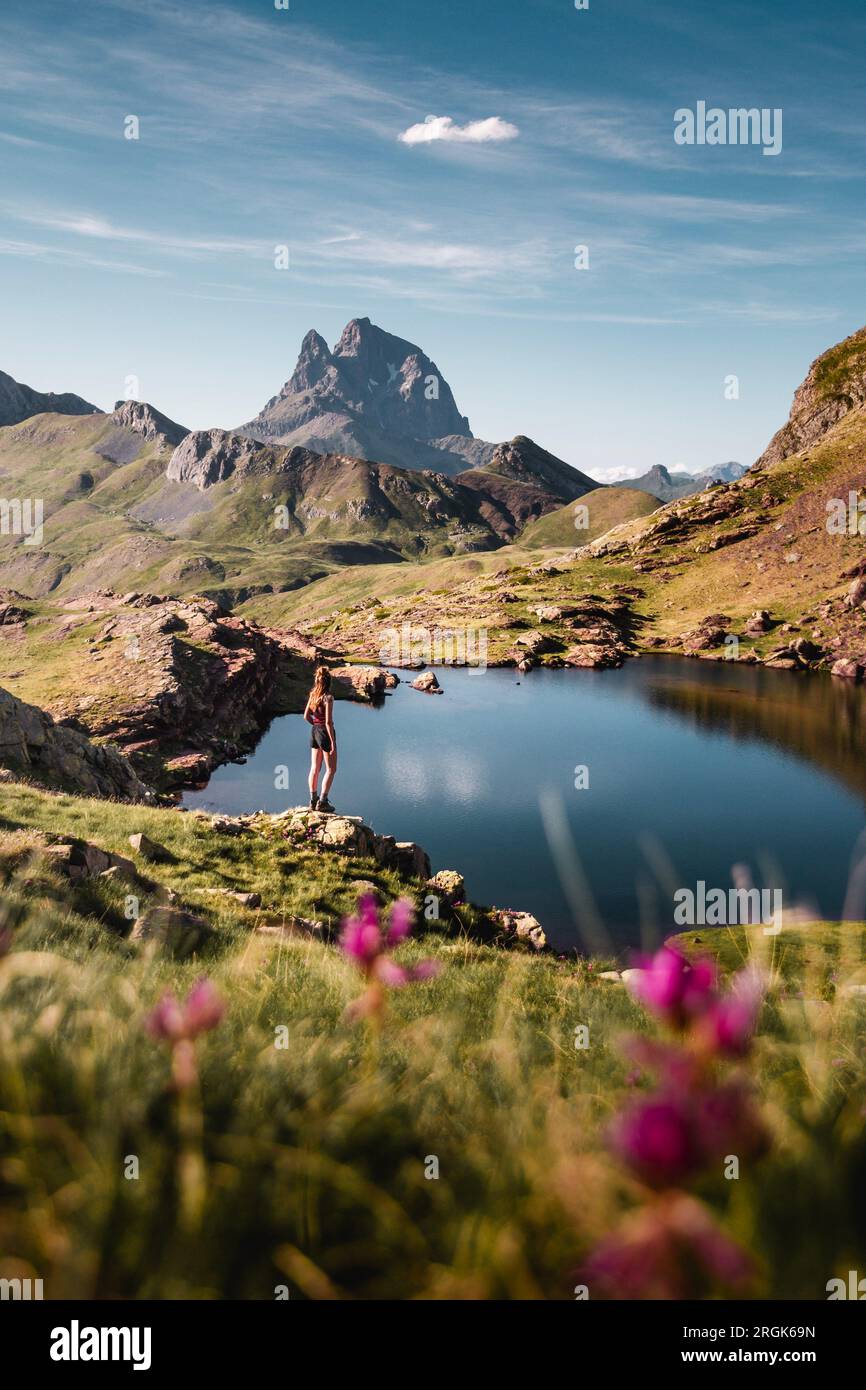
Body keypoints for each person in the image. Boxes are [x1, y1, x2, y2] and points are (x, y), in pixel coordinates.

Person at [303, 665, 337, 811]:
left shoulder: (313, 695)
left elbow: (306, 716)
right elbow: (328, 722)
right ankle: (323, 802)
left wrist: (316, 725)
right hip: (324, 732)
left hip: (314, 731)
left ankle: (312, 800)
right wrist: (332, 742)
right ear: (329, 682)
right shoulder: (328, 698)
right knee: (331, 769)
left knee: (315, 768)